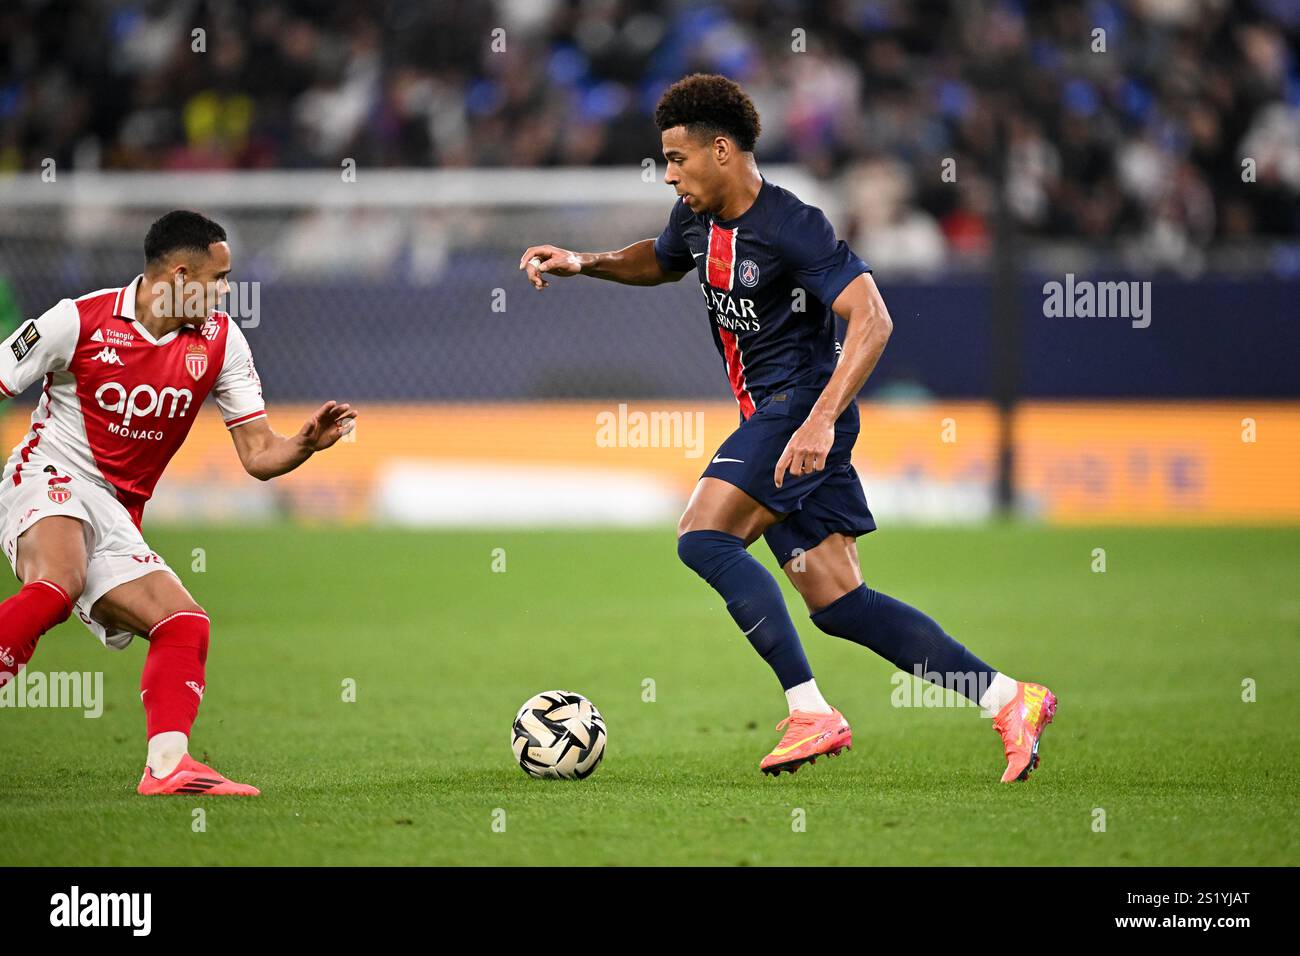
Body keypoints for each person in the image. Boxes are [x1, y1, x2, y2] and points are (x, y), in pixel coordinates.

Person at [519, 74, 1056, 780]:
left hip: (801, 409)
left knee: (703, 537)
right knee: (841, 605)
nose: (669, 174)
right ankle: (1009, 698)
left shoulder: (791, 225)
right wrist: (584, 262)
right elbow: (659, 260)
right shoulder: (695, 219)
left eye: (677, 159)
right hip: (778, 419)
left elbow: (874, 318)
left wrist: (821, 421)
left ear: (721, 151)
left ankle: (811, 711)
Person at [0, 210, 357, 796]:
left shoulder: (221, 341)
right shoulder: (76, 319)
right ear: (182, 275)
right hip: (46, 474)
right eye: (220, 279)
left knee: (184, 623)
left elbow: (259, 453)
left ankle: (168, 766)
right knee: (58, 583)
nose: (226, 293)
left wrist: (303, 446)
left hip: (116, 513)